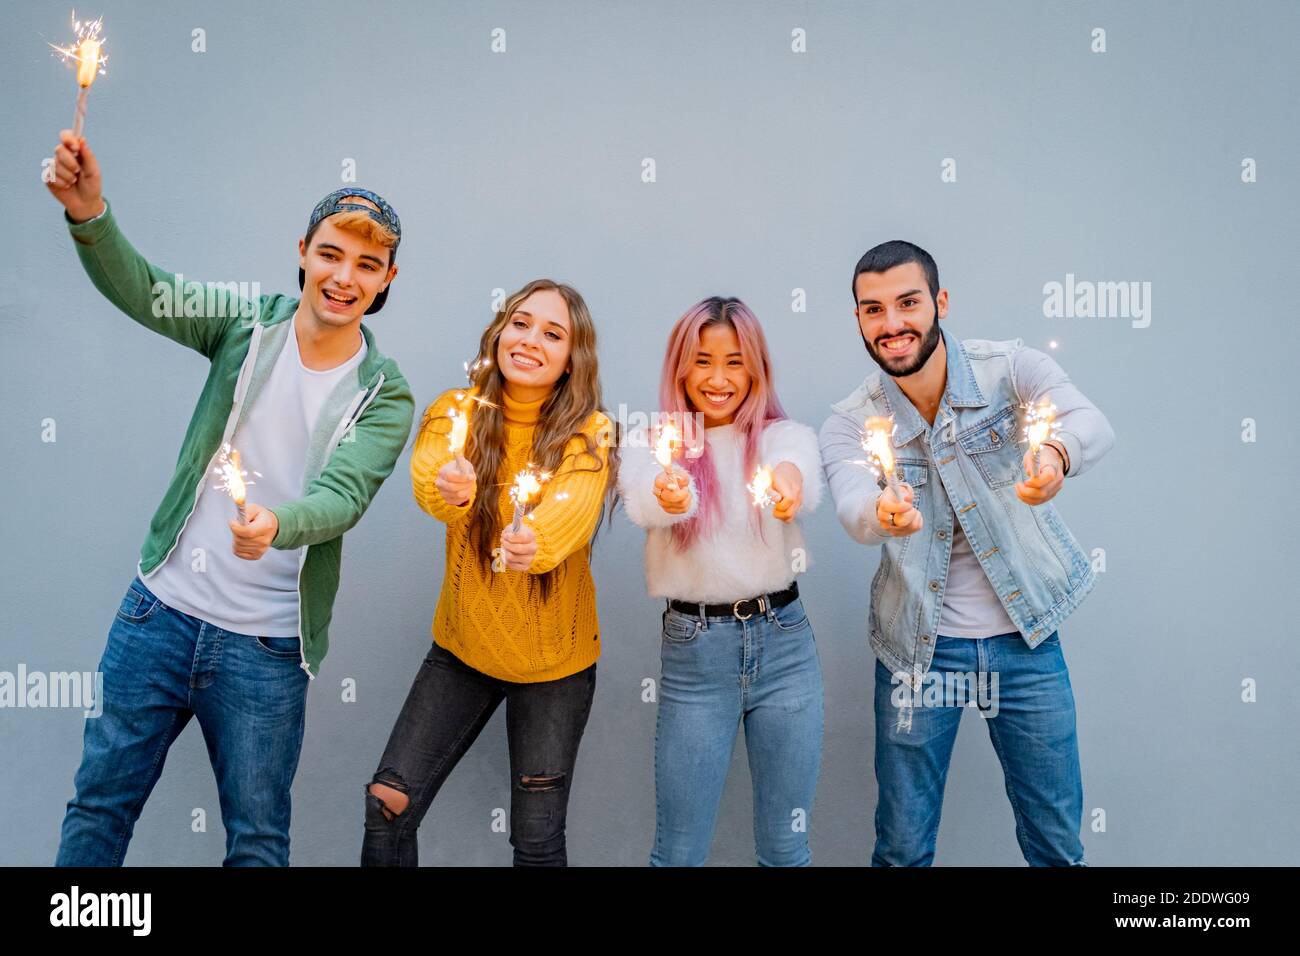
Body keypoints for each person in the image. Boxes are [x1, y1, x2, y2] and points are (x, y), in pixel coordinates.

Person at [46, 130, 415, 865]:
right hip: (158, 614)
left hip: (267, 648)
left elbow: (343, 497)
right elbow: (147, 291)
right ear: (303, 252)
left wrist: (278, 524)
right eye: (332, 254)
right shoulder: (245, 322)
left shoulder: (387, 393)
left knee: (256, 842)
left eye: (366, 265)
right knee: (98, 810)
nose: (344, 277)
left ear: (386, 280)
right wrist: (90, 214)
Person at [820, 240, 1115, 866]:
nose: (892, 324)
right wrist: (882, 514)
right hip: (918, 657)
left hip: (1027, 643)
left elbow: (1091, 421)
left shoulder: (1011, 370)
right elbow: (851, 507)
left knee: (1057, 848)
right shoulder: (849, 421)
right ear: (859, 321)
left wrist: (1058, 456)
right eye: (873, 310)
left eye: (907, 303)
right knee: (901, 849)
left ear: (940, 302)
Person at [362, 279, 617, 867]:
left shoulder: (591, 432)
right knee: (387, 804)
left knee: (536, 840)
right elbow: (433, 481)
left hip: (555, 665)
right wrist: (448, 489)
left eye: (553, 333)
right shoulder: (455, 411)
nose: (530, 340)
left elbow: (569, 515)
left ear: (572, 359)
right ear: (499, 332)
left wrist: (536, 542)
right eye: (521, 323)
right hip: (462, 650)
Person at [620, 296, 825, 866]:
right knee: (679, 852)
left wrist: (787, 482)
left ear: (755, 367)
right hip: (697, 655)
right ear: (679, 366)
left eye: (734, 361)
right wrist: (669, 493)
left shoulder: (783, 436)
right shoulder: (652, 442)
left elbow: (797, 469)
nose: (717, 378)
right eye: (702, 361)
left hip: (786, 648)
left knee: (787, 848)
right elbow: (644, 498)